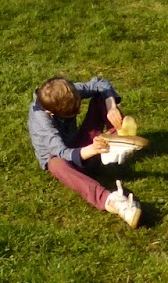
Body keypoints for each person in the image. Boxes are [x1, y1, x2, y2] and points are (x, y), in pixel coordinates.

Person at [28, 76, 142, 228]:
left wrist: (111, 106)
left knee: (101, 97)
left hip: (83, 147)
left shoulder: (65, 93)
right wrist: (93, 149)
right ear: (50, 112)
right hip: (65, 159)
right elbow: (63, 152)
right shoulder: (41, 122)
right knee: (54, 164)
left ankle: (118, 138)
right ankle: (112, 201)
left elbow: (100, 83)